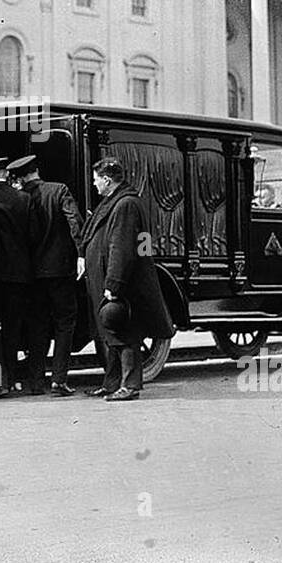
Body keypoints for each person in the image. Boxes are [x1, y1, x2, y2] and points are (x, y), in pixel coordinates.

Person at [82, 156, 175, 401]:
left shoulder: (125, 205)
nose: (94, 185)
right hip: (105, 279)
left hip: (120, 284)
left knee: (124, 333)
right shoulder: (115, 202)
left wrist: (113, 284)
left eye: (96, 180)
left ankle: (130, 385)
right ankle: (112, 383)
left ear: (106, 179)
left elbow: (121, 247)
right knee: (110, 333)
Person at [11, 154, 84, 396]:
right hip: (61, 269)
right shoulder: (59, 190)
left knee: (37, 325)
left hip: (32, 273)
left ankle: (36, 381)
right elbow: (75, 221)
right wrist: (81, 253)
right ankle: (59, 379)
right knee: (65, 322)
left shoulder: (20, 198)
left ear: (21, 177)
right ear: (37, 170)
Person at [0, 156, 35, 394]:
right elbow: (32, 235)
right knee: (13, 328)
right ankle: (12, 378)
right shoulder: (23, 199)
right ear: (7, 173)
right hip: (18, 273)